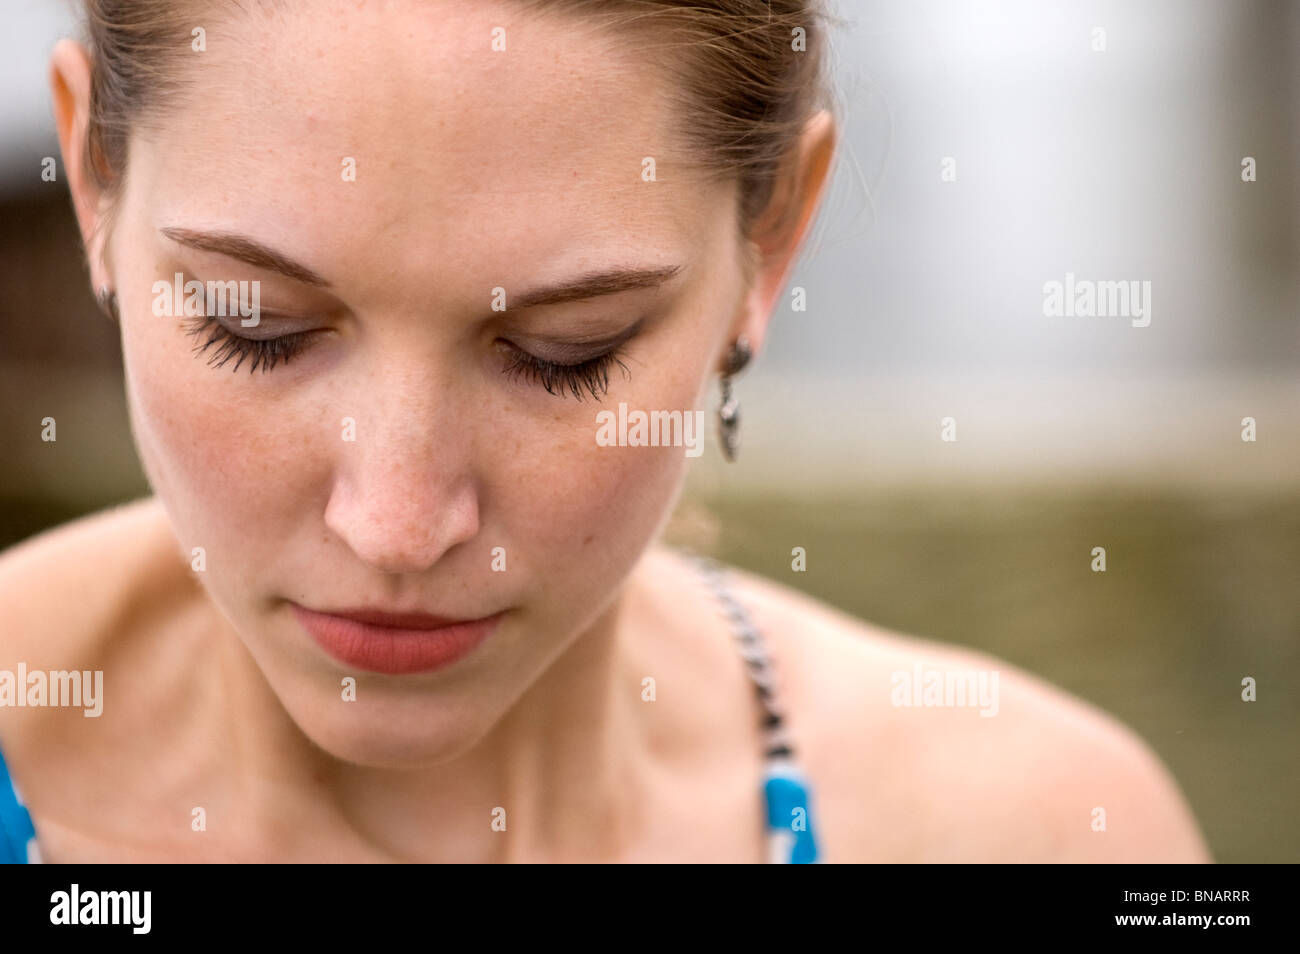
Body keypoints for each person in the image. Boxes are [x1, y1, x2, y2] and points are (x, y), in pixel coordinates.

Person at [0, 0, 1209, 863]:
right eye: (255, 325)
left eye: (564, 350)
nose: (400, 521)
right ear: (95, 175)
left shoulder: (1026, 832)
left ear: (771, 236)